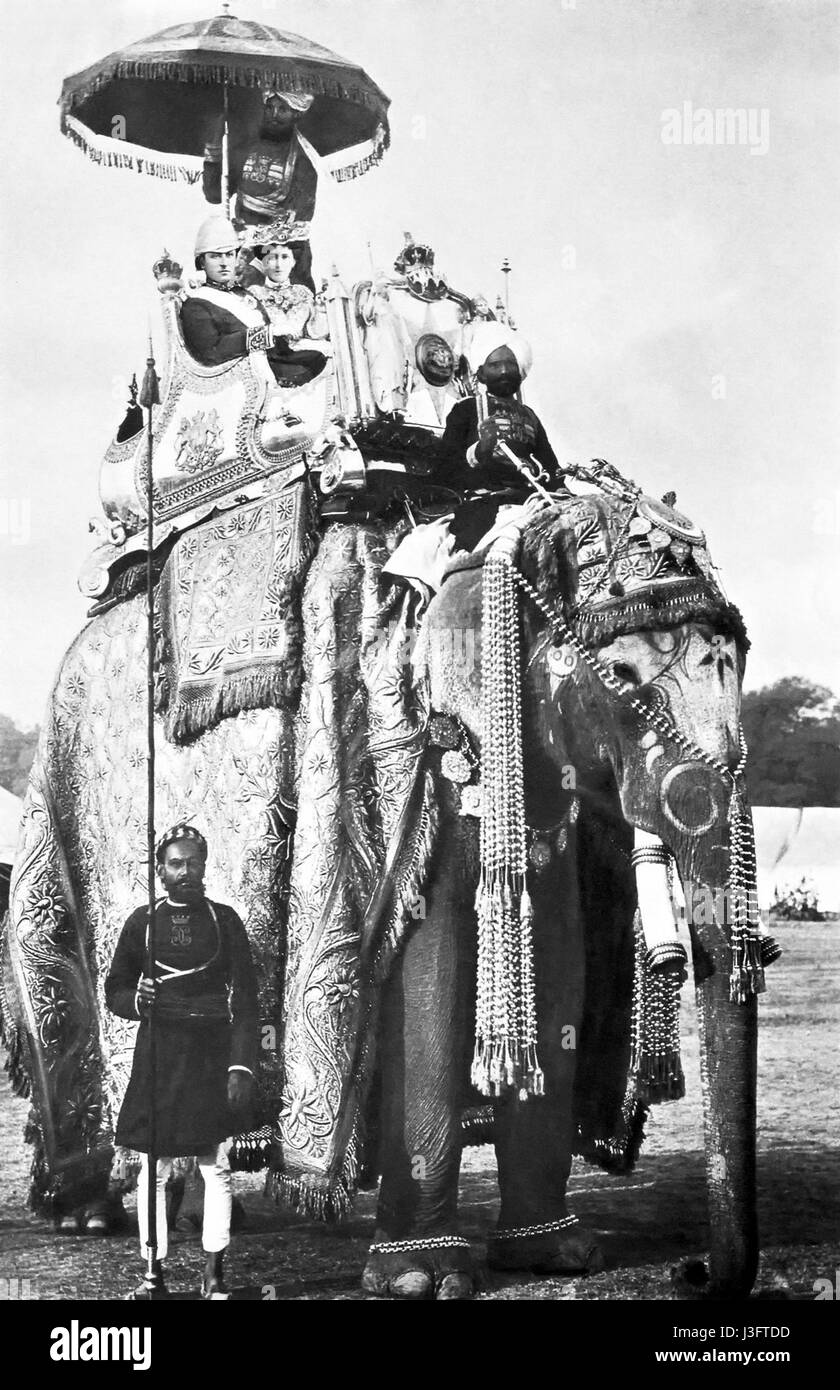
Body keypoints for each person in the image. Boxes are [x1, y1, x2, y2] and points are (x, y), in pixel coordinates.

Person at [105, 824, 259, 1300]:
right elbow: (115, 990)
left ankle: (214, 1273)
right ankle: (155, 1272)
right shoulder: (142, 922)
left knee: (216, 1165)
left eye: (193, 862)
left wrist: (240, 1067)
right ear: (161, 870)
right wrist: (139, 997)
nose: (185, 871)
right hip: (159, 1054)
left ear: (205, 866)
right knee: (154, 1168)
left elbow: (249, 1001)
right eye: (175, 863)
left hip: (211, 1053)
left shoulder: (225, 921)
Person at [440, 321, 564, 550]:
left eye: (511, 364)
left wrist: (560, 488)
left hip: (529, 500)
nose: (505, 371)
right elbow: (445, 468)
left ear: (521, 372)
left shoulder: (530, 416)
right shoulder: (465, 410)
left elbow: (551, 466)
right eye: (495, 365)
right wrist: (480, 450)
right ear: (481, 373)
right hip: (483, 504)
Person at [181, 215, 327, 387]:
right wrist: (267, 334)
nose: (223, 263)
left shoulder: (241, 293)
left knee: (321, 358)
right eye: (215, 256)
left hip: (271, 360)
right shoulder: (196, 305)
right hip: (243, 376)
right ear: (202, 263)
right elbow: (212, 351)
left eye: (229, 255)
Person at [203, 91, 318, 231]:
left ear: (296, 114)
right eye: (269, 107)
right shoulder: (247, 148)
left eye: (282, 110)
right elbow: (214, 195)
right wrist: (215, 143)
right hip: (241, 242)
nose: (273, 116)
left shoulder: (303, 162)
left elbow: (300, 221)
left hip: (279, 248)